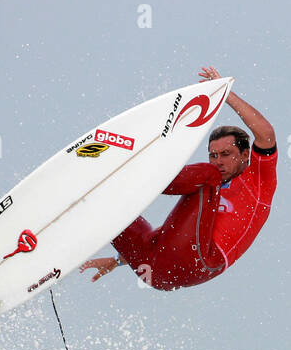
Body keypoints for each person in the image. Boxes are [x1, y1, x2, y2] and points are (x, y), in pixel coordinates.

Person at [79, 66, 277, 290]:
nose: (218, 161)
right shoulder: (208, 194)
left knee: (207, 176)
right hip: (155, 269)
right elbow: (175, 239)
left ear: (245, 155)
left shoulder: (258, 181)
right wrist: (117, 261)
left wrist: (224, 93)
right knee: (112, 208)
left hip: (199, 264)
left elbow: (266, 134)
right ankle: (77, 213)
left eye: (226, 154)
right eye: (213, 155)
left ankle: (142, 174)